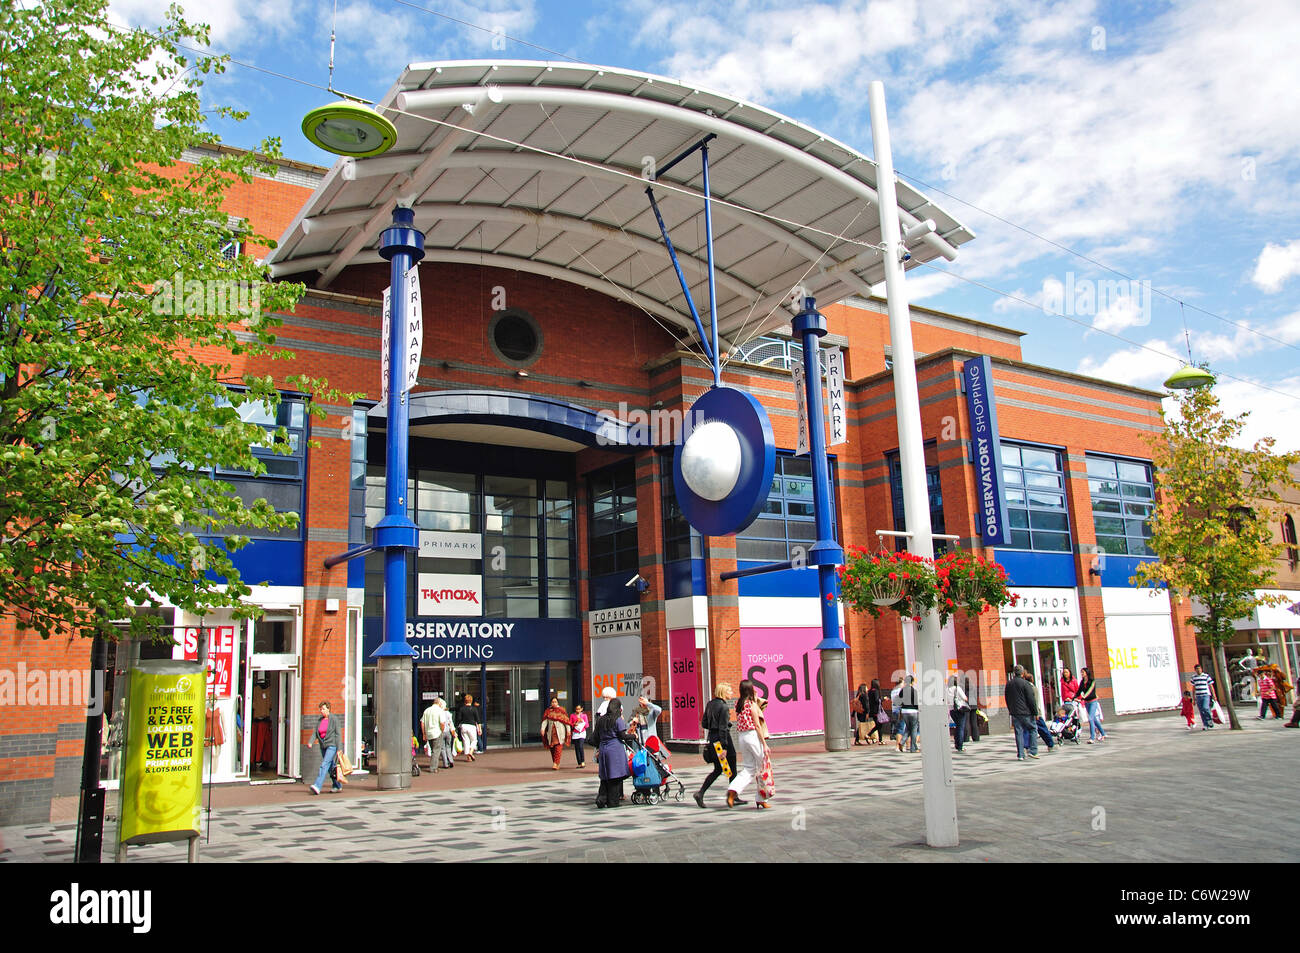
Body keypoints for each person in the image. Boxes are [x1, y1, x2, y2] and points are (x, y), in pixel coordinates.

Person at [726, 680, 772, 809]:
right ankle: (761, 798)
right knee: (762, 766)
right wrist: (764, 744)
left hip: (742, 736)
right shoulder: (751, 704)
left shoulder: (738, 704)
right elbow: (757, 725)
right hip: (752, 735)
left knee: (749, 768)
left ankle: (733, 789)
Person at [696, 682, 737, 808]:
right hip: (723, 740)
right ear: (723, 692)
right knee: (732, 767)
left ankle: (701, 793)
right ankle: (733, 795)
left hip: (713, 739)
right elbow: (723, 728)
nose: (731, 693)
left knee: (718, 769)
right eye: (729, 691)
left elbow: (704, 723)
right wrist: (724, 747)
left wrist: (714, 725)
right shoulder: (724, 707)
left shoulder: (710, 704)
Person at [593, 699, 632, 808]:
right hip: (615, 749)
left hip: (603, 748)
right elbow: (622, 735)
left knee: (605, 776)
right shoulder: (617, 719)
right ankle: (612, 801)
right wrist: (633, 736)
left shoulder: (601, 720)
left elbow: (596, 736)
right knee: (615, 776)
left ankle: (601, 798)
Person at [307, 700, 343, 794]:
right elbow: (316, 733)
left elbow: (338, 734)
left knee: (324, 764)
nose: (321, 711)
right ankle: (337, 785)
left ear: (328, 709)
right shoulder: (320, 720)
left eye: (323, 709)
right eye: (320, 709)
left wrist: (339, 749)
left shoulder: (334, 719)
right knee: (331, 767)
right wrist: (310, 742)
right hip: (323, 746)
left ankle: (317, 786)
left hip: (332, 745)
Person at [1005, 665, 1040, 760]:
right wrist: (1035, 712)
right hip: (1026, 712)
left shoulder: (1009, 684)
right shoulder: (1025, 684)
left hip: (1015, 712)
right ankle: (1033, 751)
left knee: (1018, 733)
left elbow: (1007, 698)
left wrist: (1010, 709)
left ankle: (1020, 754)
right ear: (1022, 673)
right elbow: (1031, 699)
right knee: (1032, 729)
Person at [1077, 666, 1107, 743]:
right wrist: (1074, 697)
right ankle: (1103, 733)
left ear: (1087, 673)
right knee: (1094, 719)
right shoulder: (1082, 682)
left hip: (1093, 702)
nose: (1081, 674)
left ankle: (1092, 737)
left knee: (1090, 718)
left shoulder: (1092, 681)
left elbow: (1090, 691)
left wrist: (1083, 697)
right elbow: (1079, 691)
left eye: (1083, 672)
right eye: (1081, 672)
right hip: (1087, 702)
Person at [540, 696, 570, 769]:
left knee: (558, 748)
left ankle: (555, 763)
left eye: (555, 702)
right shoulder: (548, 711)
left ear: (557, 702)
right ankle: (556, 762)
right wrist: (542, 729)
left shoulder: (562, 710)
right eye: (553, 702)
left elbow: (566, 722)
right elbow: (545, 721)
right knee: (552, 749)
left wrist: (568, 730)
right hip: (551, 733)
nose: (554, 703)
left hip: (560, 733)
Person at [895, 675, 920, 752]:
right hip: (913, 711)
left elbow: (898, 701)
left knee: (908, 728)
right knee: (914, 729)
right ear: (912, 682)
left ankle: (902, 743)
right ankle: (913, 748)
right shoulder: (914, 691)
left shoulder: (902, 690)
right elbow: (916, 703)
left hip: (904, 711)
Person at [1188, 664, 1217, 731]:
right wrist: (1194, 698)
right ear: (1195, 670)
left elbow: (1211, 686)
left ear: (1201, 669)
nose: (1198, 670)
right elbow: (1193, 688)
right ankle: (1205, 724)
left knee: (1205, 708)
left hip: (1205, 695)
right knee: (1201, 711)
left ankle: (1209, 720)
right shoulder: (1193, 677)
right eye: (1197, 669)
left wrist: (1214, 695)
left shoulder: (1206, 676)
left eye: (1199, 668)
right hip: (1198, 696)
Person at [420, 696, 443, 772]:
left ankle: (434, 766)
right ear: (439, 703)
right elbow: (442, 723)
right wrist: (441, 730)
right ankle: (433, 767)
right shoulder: (440, 711)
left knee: (433, 750)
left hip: (429, 733)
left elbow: (422, 723)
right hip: (437, 732)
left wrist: (424, 733)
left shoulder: (427, 710)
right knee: (436, 751)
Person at [947, 675, 969, 752]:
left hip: (952, 710)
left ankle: (957, 743)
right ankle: (960, 745)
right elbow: (965, 698)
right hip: (960, 710)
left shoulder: (946, 690)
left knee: (958, 726)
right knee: (960, 727)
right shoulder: (957, 688)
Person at [456, 693, 481, 762]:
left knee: (466, 741)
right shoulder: (474, 709)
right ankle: (470, 752)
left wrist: (457, 725)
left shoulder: (461, 709)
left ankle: (468, 757)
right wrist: (479, 729)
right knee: (474, 740)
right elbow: (478, 720)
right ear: (471, 701)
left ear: (465, 701)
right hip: (472, 726)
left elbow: (459, 718)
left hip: (463, 726)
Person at [865, 678, 887, 745]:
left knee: (878, 725)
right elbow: (877, 700)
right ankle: (870, 735)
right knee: (879, 725)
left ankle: (879, 739)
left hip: (872, 710)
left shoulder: (869, 691)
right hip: (877, 711)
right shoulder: (876, 691)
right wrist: (883, 698)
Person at [437, 698, 456, 768]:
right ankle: (451, 760)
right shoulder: (448, 713)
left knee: (442, 748)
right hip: (448, 732)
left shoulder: (439, 713)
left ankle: (445, 763)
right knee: (448, 747)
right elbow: (451, 723)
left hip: (441, 731)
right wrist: (453, 731)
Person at [569, 702, 590, 768]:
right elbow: (570, 724)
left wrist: (582, 721)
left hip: (582, 732)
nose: (578, 711)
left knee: (581, 746)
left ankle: (583, 761)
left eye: (579, 709)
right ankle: (579, 762)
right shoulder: (572, 715)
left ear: (581, 709)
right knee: (576, 748)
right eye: (576, 709)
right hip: (575, 733)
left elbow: (587, 725)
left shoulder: (584, 716)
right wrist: (574, 724)